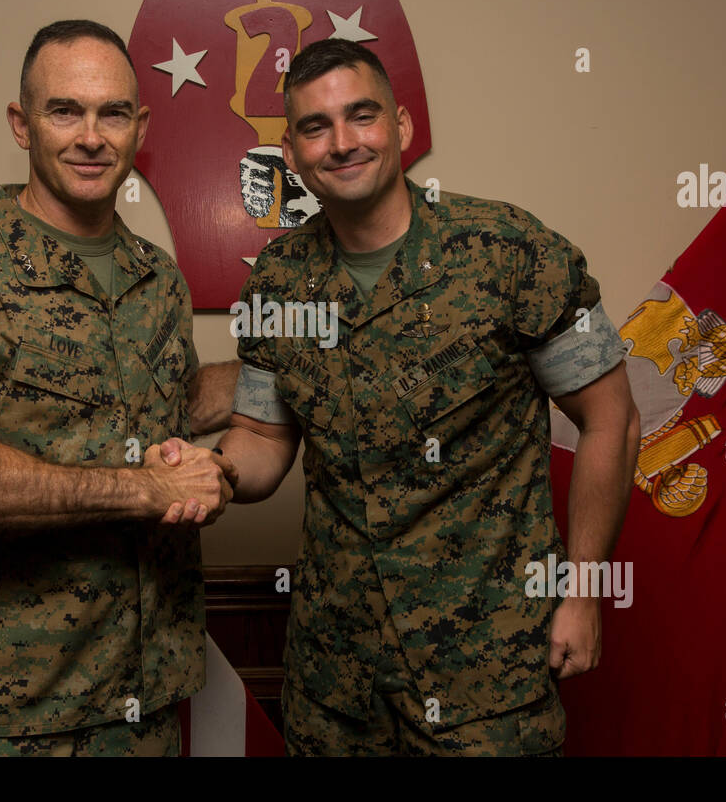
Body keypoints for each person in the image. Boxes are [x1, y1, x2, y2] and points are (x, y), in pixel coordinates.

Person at [208, 39, 640, 755]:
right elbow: (262, 438)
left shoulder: (512, 251)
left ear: (402, 128)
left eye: (362, 116)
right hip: (336, 678)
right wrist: (214, 474)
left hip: (489, 669)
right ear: (292, 153)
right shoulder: (278, 283)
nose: (342, 143)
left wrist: (585, 591)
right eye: (316, 127)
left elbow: (612, 424)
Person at [0, 19, 239, 756]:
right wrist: (145, 490)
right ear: (21, 123)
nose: (91, 136)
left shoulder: (156, 279)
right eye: (64, 110)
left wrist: (300, 362)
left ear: (140, 127)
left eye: (112, 113)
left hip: (140, 707)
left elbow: (170, 400)